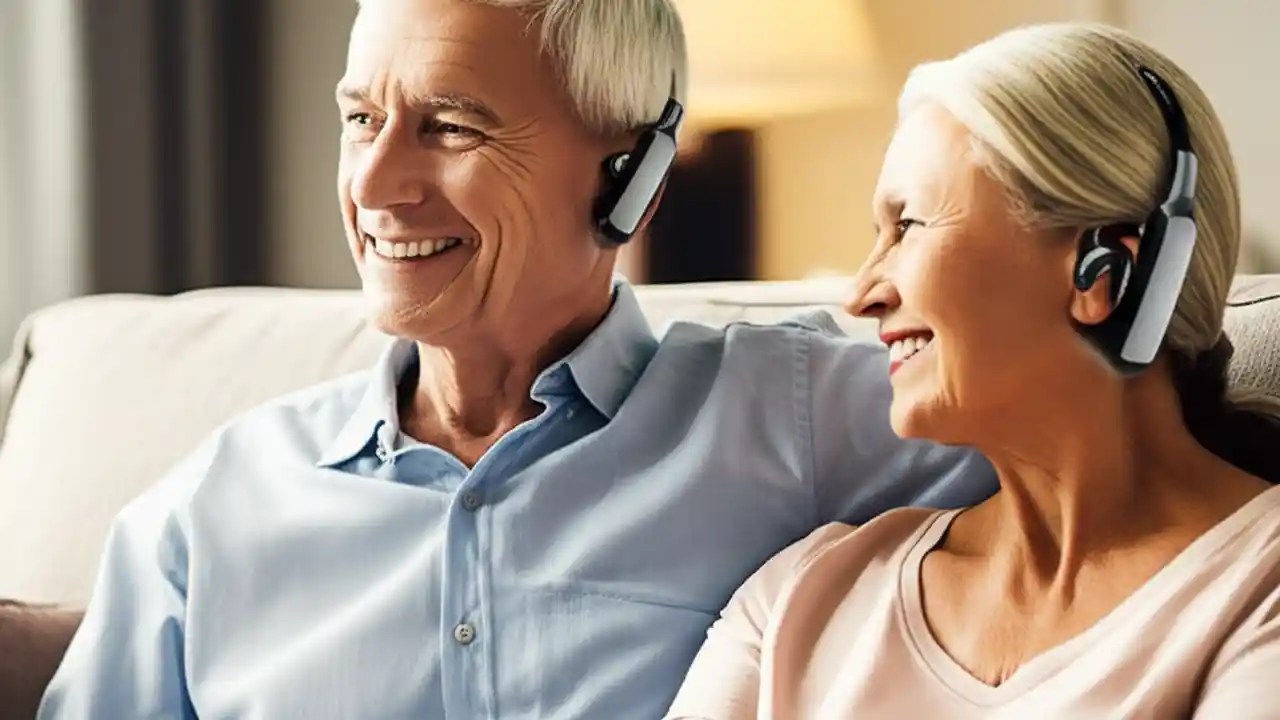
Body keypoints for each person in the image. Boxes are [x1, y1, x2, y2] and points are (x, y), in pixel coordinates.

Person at [36, 0, 995, 717]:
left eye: (451, 127)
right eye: (360, 120)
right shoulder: (215, 505)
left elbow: (1117, 482)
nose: (374, 185)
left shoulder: (800, 419)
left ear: (631, 177)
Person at [667, 23, 1280, 720]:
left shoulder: (1257, 590)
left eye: (908, 227)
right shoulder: (803, 598)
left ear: (1104, 272)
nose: (861, 293)